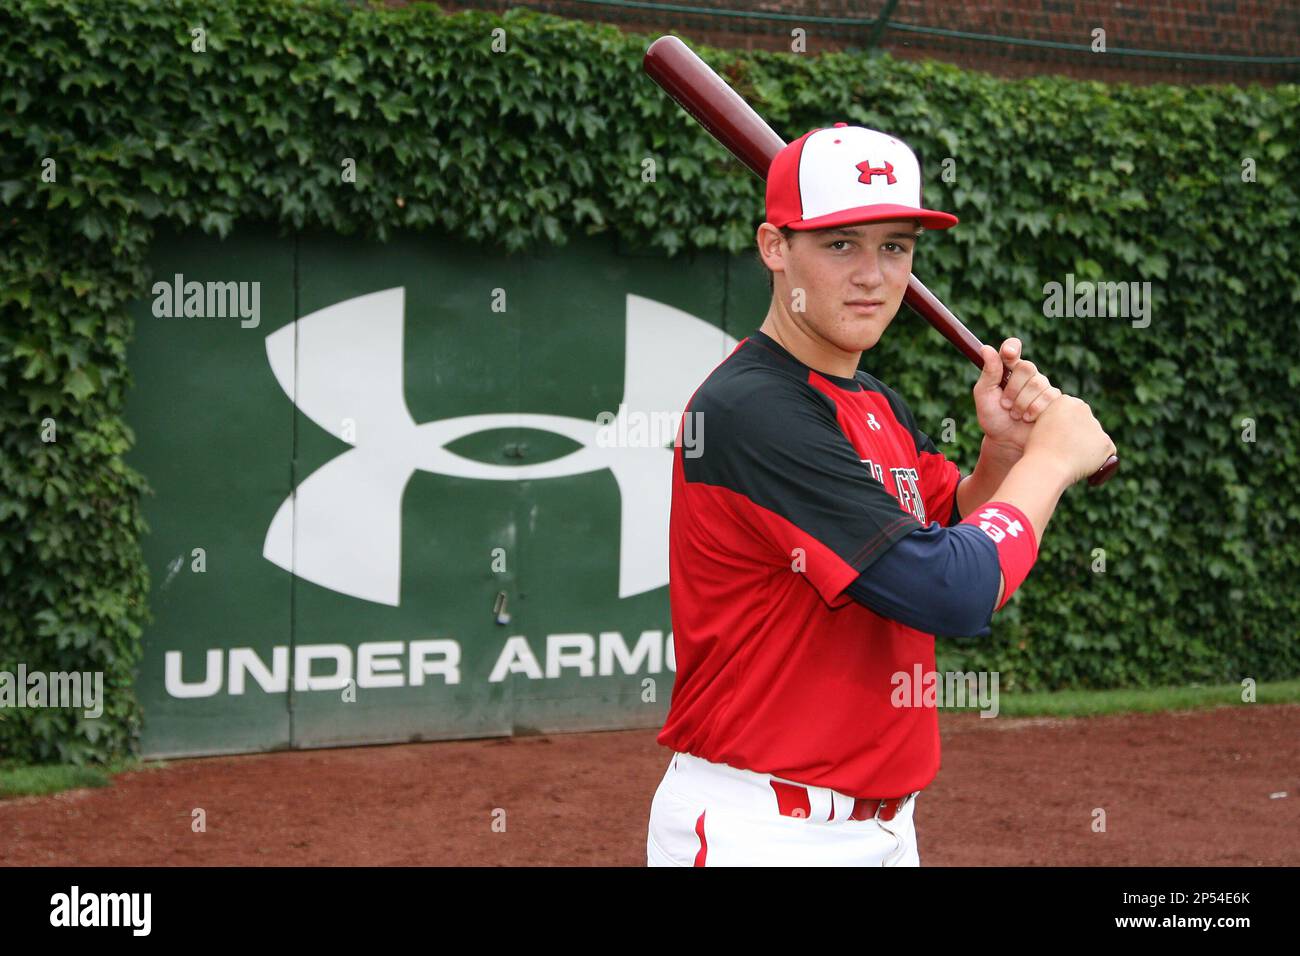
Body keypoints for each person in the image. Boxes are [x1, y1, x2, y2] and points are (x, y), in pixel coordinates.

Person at [646, 123, 1115, 866]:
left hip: (886, 825)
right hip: (763, 829)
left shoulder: (871, 401)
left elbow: (953, 526)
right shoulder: (751, 412)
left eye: (894, 246)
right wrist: (1053, 461)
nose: (873, 275)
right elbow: (952, 589)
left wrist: (1003, 455)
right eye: (841, 245)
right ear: (775, 248)